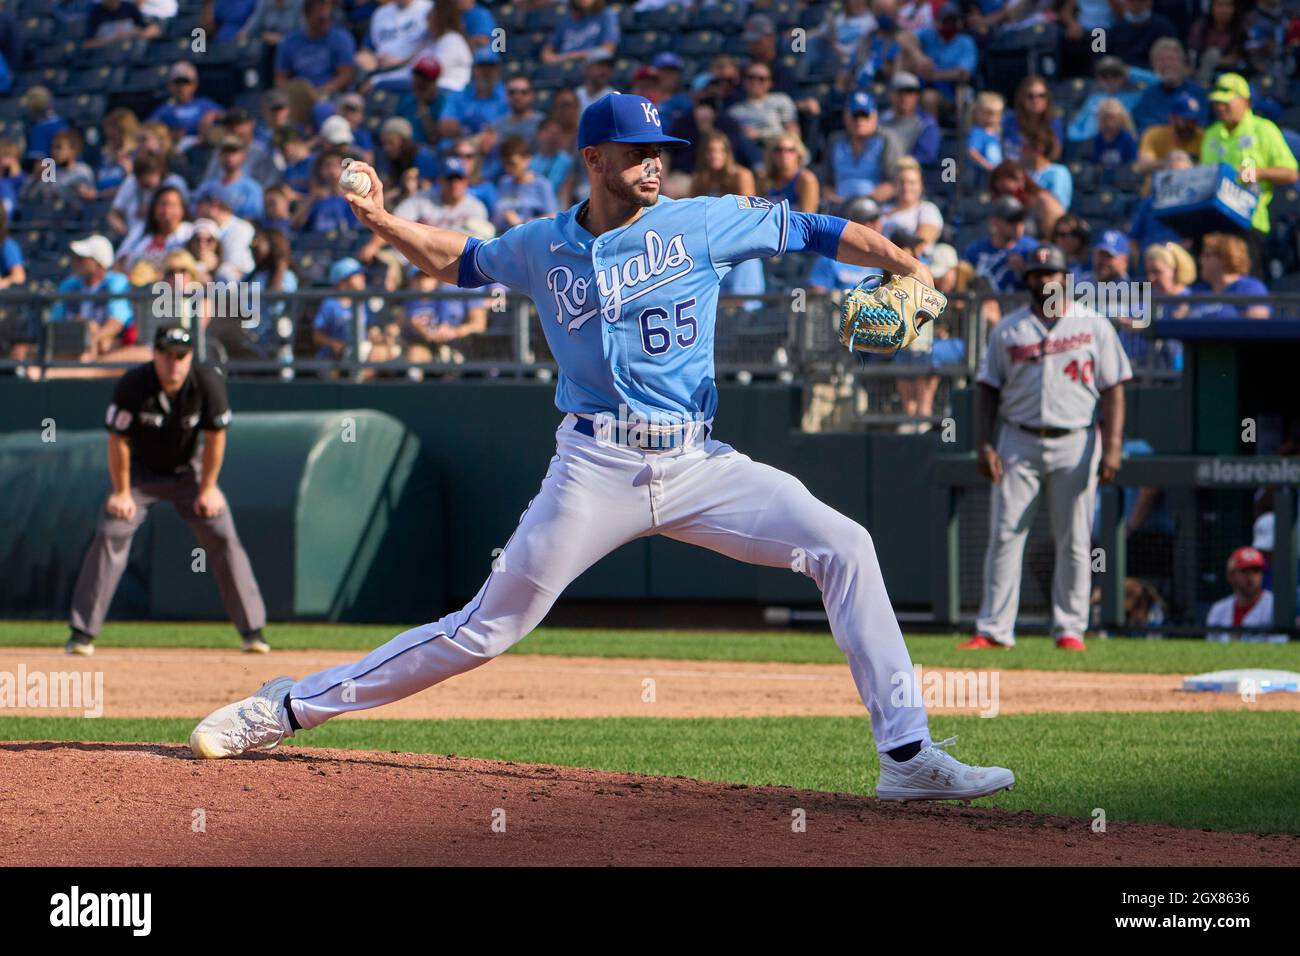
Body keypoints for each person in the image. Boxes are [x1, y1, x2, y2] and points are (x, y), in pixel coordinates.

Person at [190, 91, 1016, 807]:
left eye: (663, 151)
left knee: (846, 545)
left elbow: (817, 227)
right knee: (486, 629)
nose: (657, 162)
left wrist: (912, 266)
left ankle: (907, 757)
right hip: (595, 465)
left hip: (699, 463)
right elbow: (459, 260)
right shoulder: (541, 243)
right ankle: (286, 709)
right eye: (638, 151)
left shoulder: (705, 219)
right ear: (593, 157)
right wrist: (379, 220)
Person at [962, 244, 1132, 652]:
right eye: (1037, 274)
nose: (1044, 280)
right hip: (1018, 438)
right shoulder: (1009, 329)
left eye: (1051, 273)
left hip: (1076, 438)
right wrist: (984, 443)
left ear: (1065, 278)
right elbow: (987, 389)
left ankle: (1071, 628)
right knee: (1005, 535)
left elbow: (1114, 390)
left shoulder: (1094, 325)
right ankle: (994, 629)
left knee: (1074, 539)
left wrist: (1112, 448)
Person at [64, 325, 269, 657]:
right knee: (110, 532)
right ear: (155, 354)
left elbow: (216, 438)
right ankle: (82, 633)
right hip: (139, 475)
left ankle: (253, 631)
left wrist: (209, 488)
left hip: (188, 473)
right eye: (167, 354)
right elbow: (118, 440)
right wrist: (121, 492)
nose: (174, 362)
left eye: (181, 355)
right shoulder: (134, 384)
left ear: (190, 357)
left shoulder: (207, 382)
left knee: (222, 533)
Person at [1200, 72, 1298, 259]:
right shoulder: (1211, 134)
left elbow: (1291, 173)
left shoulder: (1263, 129)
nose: (1220, 107)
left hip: (1249, 221)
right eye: (1217, 103)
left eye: (1226, 102)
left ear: (1245, 101)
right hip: (1213, 221)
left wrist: (1256, 173)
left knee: (1248, 284)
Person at [51, 235, 137, 358]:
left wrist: (92, 337)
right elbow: (55, 322)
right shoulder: (68, 285)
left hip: (105, 346)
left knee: (104, 343)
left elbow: (117, 322)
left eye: (81, 259)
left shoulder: (116, 282)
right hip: (72, 345)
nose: (75, 261)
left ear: (98, 263)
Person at [826, 92, 903, 206]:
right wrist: (835, 201)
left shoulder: (886, 139)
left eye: (865, 116)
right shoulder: (835, 140)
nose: (859, 121)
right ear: (846, 117)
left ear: (874, 116)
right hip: (838, 208)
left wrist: (863, 203)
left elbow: (894, 182)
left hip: (875, 208)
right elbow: (825, 182)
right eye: (855, 116)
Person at [1206, 547, 1288, 643]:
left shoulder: (1276, 606)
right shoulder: (1218, 610)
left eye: (1256, 571)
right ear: (1231, 576)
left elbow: (1280, 647)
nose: (1251, 577)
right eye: (1245, 571)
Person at [274, 0, 356, 93]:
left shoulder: (341, 39)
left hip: (331, 94)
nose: (325, 21)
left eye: (328, 18)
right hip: (299, 95)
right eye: (321, 19)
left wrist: (323, 90)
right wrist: (297, 93)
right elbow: (280, 78)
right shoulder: (290, 41)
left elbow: (346, 75)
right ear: (306, 16)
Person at [960, 194, 1038, 292]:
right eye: (1011, 220)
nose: (1017, 225)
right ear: (995, 222)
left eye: (1020, 219)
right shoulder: (976, 250)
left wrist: (1024, 270)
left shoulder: (1031, 249)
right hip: (982, 303)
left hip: (1017, 304)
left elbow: (1042, 286)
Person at [1186, 232, 1271, 320]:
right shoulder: (1199, 290)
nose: (1200, 260)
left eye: (1207, 255)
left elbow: (1256, 325)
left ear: (1225, 258)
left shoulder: (1250, 288)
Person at [492, 135, 557, 232]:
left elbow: (553, 217)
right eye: (505, 164)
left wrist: (523, 222)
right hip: (504, 236)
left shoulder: (542, 185)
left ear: (527, 159)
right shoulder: (504, 182)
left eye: (513, 164)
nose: (508, 169)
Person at [881, 157, 942, 254]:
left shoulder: (927, 209)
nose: (906, 187)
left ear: (921, 185)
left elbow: (920, 245)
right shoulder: (882, 210)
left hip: (912, 262)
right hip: (878, 264)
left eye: (911, 183)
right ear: (894, 184)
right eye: (901, 182)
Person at [149, 62, 223, 140]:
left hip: (204, 144)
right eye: (177, 82)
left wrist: (214, 115)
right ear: (170, 85)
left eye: (186, 82)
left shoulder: (204, 103)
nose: (181, 87)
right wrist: (169, 134)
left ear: (194, 85)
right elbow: (149, 128)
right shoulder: (164, 109)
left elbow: (229, 116)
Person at [880, 72, 940, 167]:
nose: (904, 97)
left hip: (912, 176)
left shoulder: (926, 124)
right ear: (890, 94)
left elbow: (926, 157)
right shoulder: (881, 121)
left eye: (910, 92)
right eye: (900, 92)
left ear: (917, 95)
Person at [540, 0, 619, 64]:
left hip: (589, 66)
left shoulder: (607, 15)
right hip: (561, 68)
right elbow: (547, 51)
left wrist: (567, 57)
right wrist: (551, 58)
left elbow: (607, 50)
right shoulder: (566, 19)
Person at [762, 133, 819, 214]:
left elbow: (808, 218)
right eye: (778, 150)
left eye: (790, 150)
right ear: (772, 154)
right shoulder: (765, 180)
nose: (784, 154)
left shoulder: (805, 179)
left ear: (799, 154)